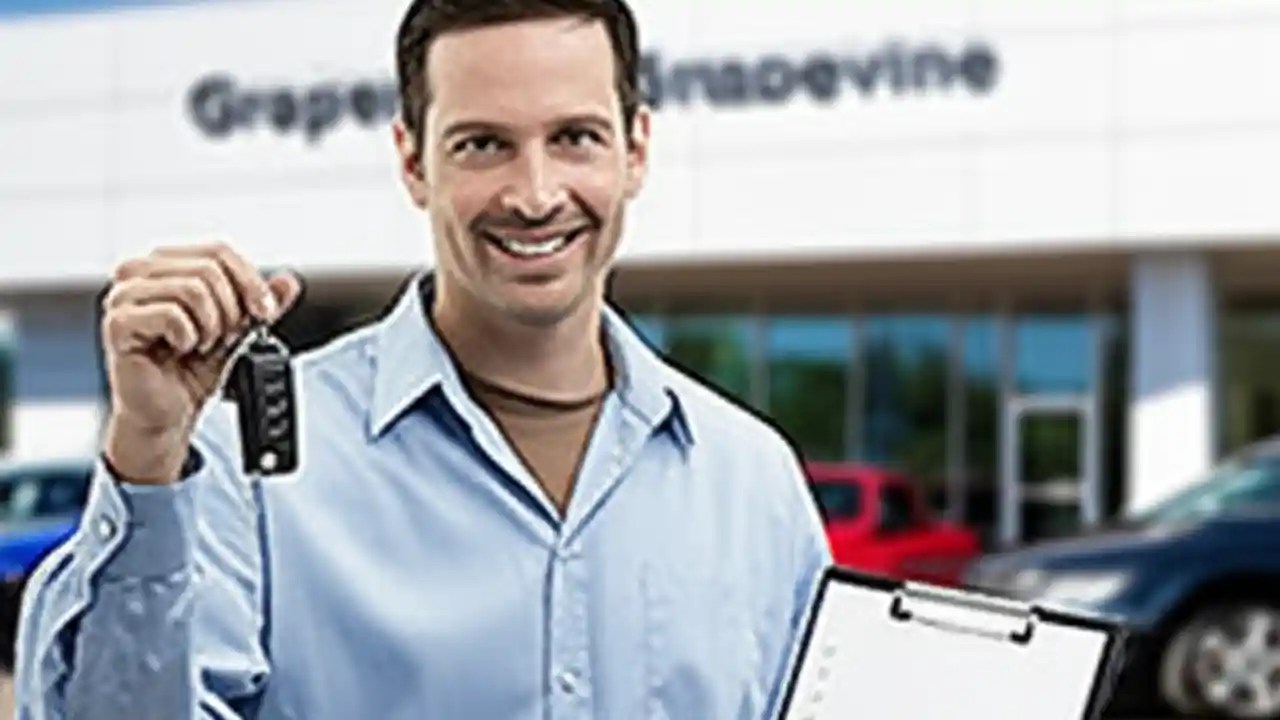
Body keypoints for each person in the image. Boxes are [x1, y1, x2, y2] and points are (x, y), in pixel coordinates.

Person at [14, 1, 832, 718]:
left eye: (575, 138)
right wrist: (147, 456)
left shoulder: (754, 483)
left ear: (635, 150)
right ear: (413, 162)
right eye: (483, 144)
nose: (536, 194)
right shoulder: (246, 477)